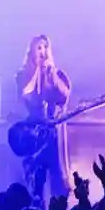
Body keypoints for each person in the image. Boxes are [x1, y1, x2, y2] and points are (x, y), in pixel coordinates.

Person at [15, 35, 72, 198]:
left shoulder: (57, 74)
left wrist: (52, 75)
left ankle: (59, 206)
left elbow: (64, 96)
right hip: (33, 134)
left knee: (58, 176)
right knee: (35, 177)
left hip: (54, 134)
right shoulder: (22, 75)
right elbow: (26, 94)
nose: (43, 51)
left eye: (45, 47)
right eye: (39, 48)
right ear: (32, 51)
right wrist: (37, 72)